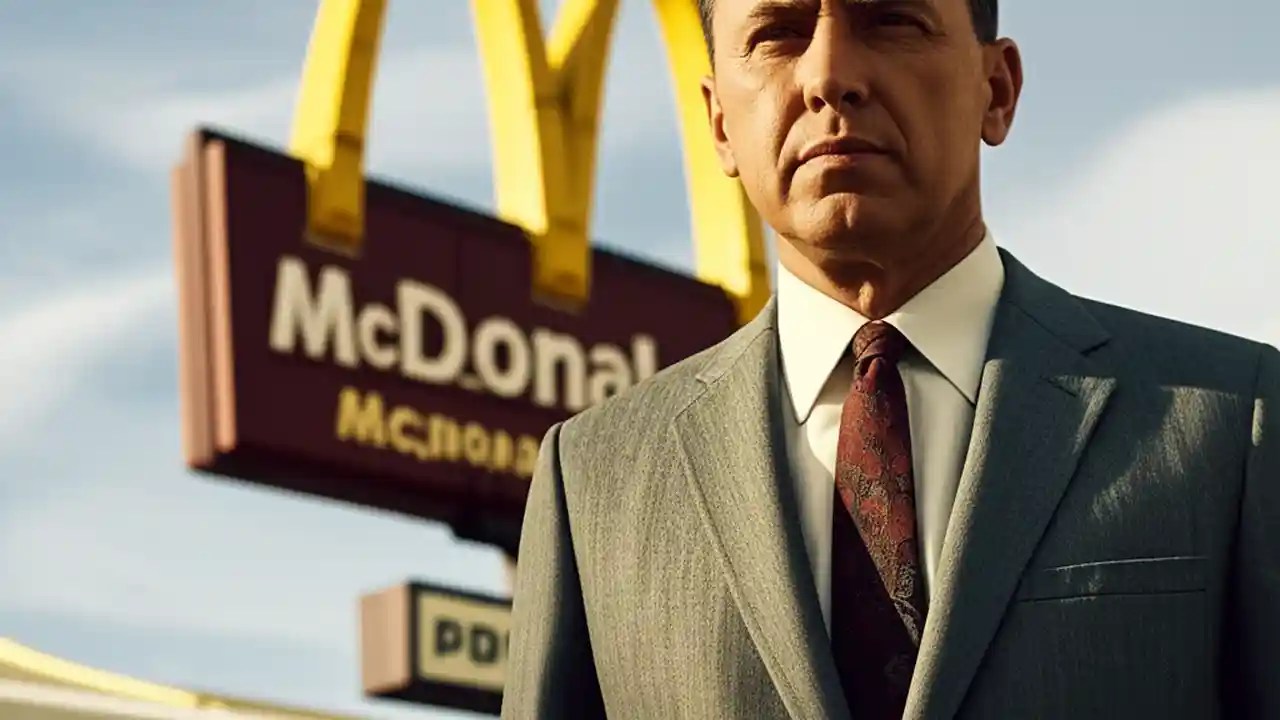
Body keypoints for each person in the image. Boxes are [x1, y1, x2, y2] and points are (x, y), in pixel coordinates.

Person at [500, 0, 1279, 717]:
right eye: (777, 34)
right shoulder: (594, 481)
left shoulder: (1228, 423)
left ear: (997, 88)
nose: (830, 75)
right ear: (717, 124)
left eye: (891, 20)